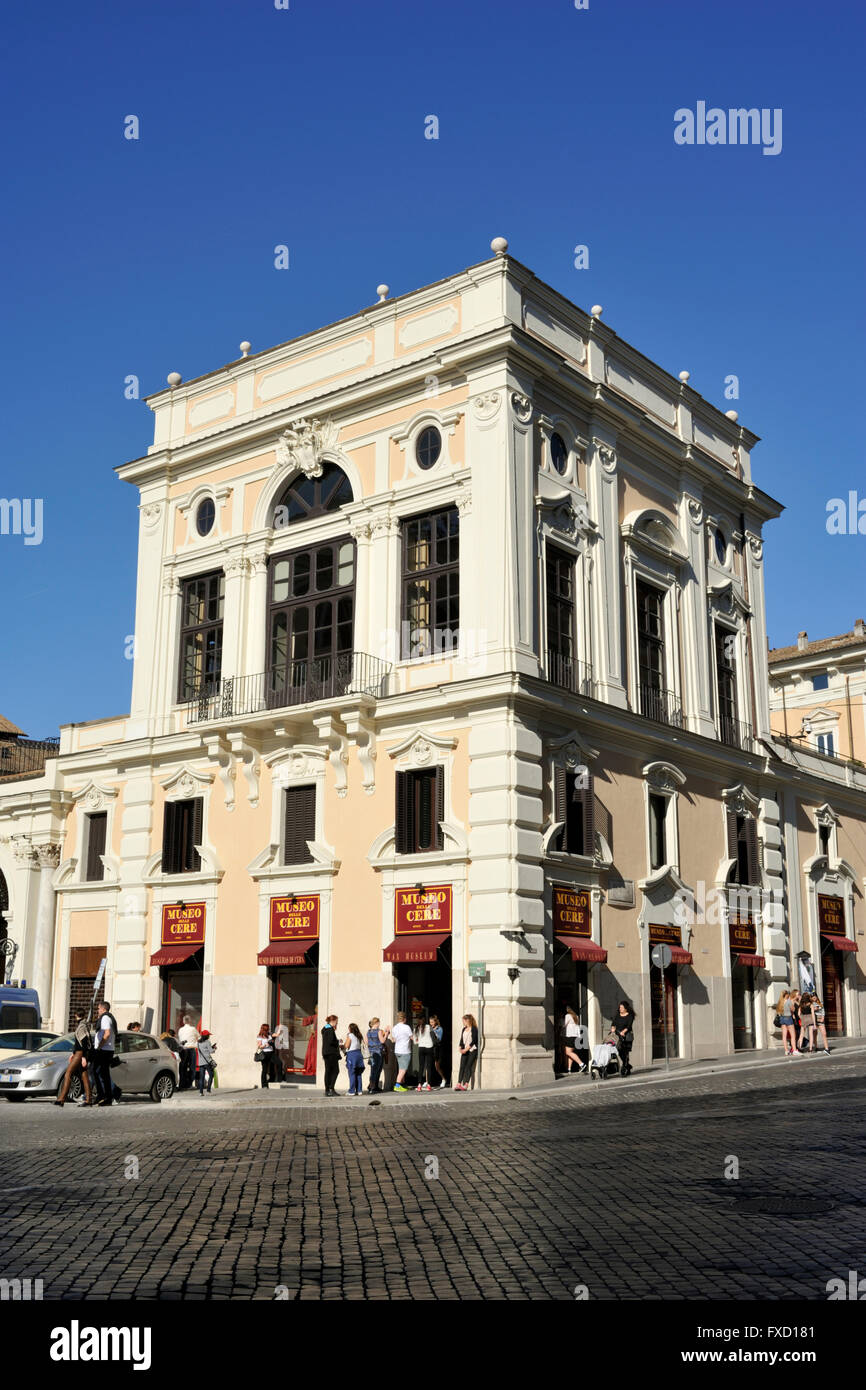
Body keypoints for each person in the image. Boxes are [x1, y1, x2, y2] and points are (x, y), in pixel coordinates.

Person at [55, 1011, 94, 1107]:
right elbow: (79, 1042)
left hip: (80, 1053)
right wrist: (73, 1053)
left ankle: (61, 1099)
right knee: (84, 1075)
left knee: (68, 1073)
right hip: (78, 1053)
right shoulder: (83, 1025)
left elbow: (84, 1043)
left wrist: (83, 1057)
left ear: (77, 1015)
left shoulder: (82, 1026)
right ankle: (89, 1100)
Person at [91, 1001, 118, 1106]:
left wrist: (99, 1047)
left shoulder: (105, 1018)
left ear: (103, 1009)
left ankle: (104, 1096)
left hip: (104, 1050)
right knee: (102, 1073)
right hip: (107, 1050)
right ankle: (105, 1096)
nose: (98, 1010)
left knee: (94, 1071)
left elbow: (107, 1034)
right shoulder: (109, 1017)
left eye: (98, 1009)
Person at [611, 999, 635, 1077]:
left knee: (626, 1051)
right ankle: (626, 1064)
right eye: (620, 1007)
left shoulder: (630, 1016)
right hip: (618, 1035)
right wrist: (613, 1029)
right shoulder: (617, 1015)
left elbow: (629, 1026)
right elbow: (613, 1023)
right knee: (619, 1050)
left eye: (621, 1007)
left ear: (625, 1008)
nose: (620, 1008)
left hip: (626, 1036)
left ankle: (625, 1065)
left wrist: (623, 1032)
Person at [390, 1012, 414, 1092]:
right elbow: (412, 1037)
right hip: (405, 1050)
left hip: (397, 1050)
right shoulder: (407, 1027)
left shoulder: (395, 1028)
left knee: (400, 1068)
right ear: (404, 1019)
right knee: (403, 1069)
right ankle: (397, 1085)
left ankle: (402, 1085)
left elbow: (393, 1040)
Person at [455, 1014, 479, 1090]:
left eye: (464, 1021)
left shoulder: (474, 1029)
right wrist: (460, 1048)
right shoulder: (464, 1029)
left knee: (468, 1066)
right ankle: (459, 1083)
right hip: (465, 1049)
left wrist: (466, 1049)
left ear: (468, 1020)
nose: (463, 1022)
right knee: (462, 1066)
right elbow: (462, 1040)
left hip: (472, 1050)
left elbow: (474, 1040)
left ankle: (466, 1084)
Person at [177, 1014, 200, 1090]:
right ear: (189, 1021)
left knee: (183, 1067)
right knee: (192, 1067)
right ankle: (189, 1084)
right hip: (191, 1049)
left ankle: (182, 1084)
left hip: (183, 1049)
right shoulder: (193, 1029)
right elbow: (199, 1037)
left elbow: (180, 1038)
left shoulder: (180, 1030)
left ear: (183, 1022)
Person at [562, 1007, 587, 1075]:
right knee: (571, 1053)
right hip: (575, 1036)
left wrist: (561, 1026)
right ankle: (569, 1069)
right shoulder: (576, 1016)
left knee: (568, 1052)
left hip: (569, 1036)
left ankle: (581, 1064)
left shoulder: (567, 1016)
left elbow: (565, 1024)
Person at [343, 1023, 366, 1095]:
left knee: (352, 1073)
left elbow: (346, 1046)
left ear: (350, 1029)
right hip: (359, 1055)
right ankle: (359, 1090)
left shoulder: (350, 1035)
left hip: (352, 1055)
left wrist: (341, 1046)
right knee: (358, 1074)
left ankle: (351, 1091)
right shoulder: (359, 1036)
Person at [321, 1015, 341, 1096]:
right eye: (336, 1021)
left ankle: (327, 1090)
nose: (337, 1023)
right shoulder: (329, 1029)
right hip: (331, 1053)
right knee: (335, 1071)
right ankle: (331, 1088)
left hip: (326, 1053)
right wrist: (337, 1042)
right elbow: (330, 1041)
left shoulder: (325, 1028)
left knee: (328, 1071)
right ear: (333, 1021)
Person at [366, 1018, 386, 1093]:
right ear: (376, 1023)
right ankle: (372, 1087)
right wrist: (386, 1033)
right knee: (377, 1070)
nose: (379, 1024)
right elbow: (382, 1041)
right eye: (379, 1023)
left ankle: (374, 1086)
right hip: (378, 1052)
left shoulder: (368, 1032)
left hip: (371, 1053)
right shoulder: (379, 1031)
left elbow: (366, 1043)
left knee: (373, 1070)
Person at [776, 990, 798, 1056]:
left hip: (782, 1018)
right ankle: (794, 1050)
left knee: (784, 1036)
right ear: (786, 995)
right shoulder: (788, 1001)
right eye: (788, 994)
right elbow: (793, 1009)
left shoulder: (780, 1002)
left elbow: (778, 1011)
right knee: (793, 1035)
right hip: (788, 1018)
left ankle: (786, 1050)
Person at [430, 1013, 447, 1088]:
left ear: (436, 1022)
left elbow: (438, 1039)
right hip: (430, 1048)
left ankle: (443, 1079)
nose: (431, 1024)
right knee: (429, 1065)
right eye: (430, 1022)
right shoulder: (430, 1029)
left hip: (438, 1049)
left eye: (432, 1022)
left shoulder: (439, 1029)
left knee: (437, 1066)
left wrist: (433, 1034)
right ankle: (427, 1081)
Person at [254, 1023, 274, 1088]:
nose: (268, 1030)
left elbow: (272, 1041)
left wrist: (271, 1042)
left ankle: (271, 1081)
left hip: (271, 1053)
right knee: (264, 1069)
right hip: (264, 1054)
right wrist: (265, 1045)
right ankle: (264, 1085)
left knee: (272, 1067)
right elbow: (259, 1046)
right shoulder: (259, 1036)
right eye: (267, 1029)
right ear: (264, 1029)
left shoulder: (268, 1035)